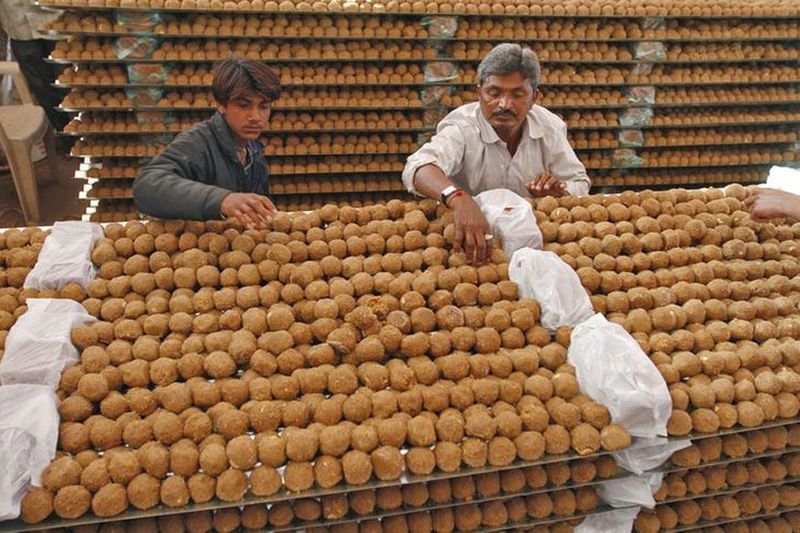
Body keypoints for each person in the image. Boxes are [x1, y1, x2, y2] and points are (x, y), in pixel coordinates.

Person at [402, 43, 590, 263]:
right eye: (494, 92)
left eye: (518, 94)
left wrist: (560, 194)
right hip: (471, 245)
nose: (504, 104)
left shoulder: (549, 127)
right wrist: (458, 198)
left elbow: (579, 181)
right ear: (478, 92)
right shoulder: (462, 127)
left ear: (534, 97)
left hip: (534, 241)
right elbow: (418, 167)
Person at [134, 58, 281, 229]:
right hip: (198, 252)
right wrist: (221, 200)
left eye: (263, 107)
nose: (256, 116)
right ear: (221, 104)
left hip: (237, 250)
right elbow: (147, 186)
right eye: (243, 105)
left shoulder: (254, 151)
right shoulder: (197, 142)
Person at [0, 0, 69, 131]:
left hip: (59, 19)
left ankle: (87, 140)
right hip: (18, 24)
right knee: (42, 89)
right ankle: (65, 139)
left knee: (71, 85)